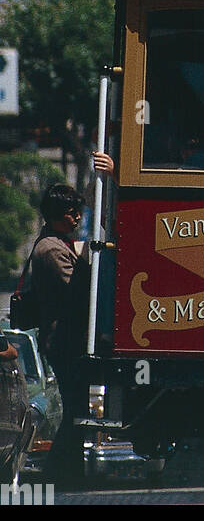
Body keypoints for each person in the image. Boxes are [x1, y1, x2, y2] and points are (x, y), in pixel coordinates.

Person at [30, 151, 113, 483]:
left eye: (78, 211)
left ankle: (66, 472)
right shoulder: (51, 249)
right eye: (71, 213)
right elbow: (78, 291)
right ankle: (60, 474)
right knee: (76, 410)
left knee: (77, 409)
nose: (77, 217)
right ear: (54, 216)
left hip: (63, 338)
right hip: (62, 339)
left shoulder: (58, 242)